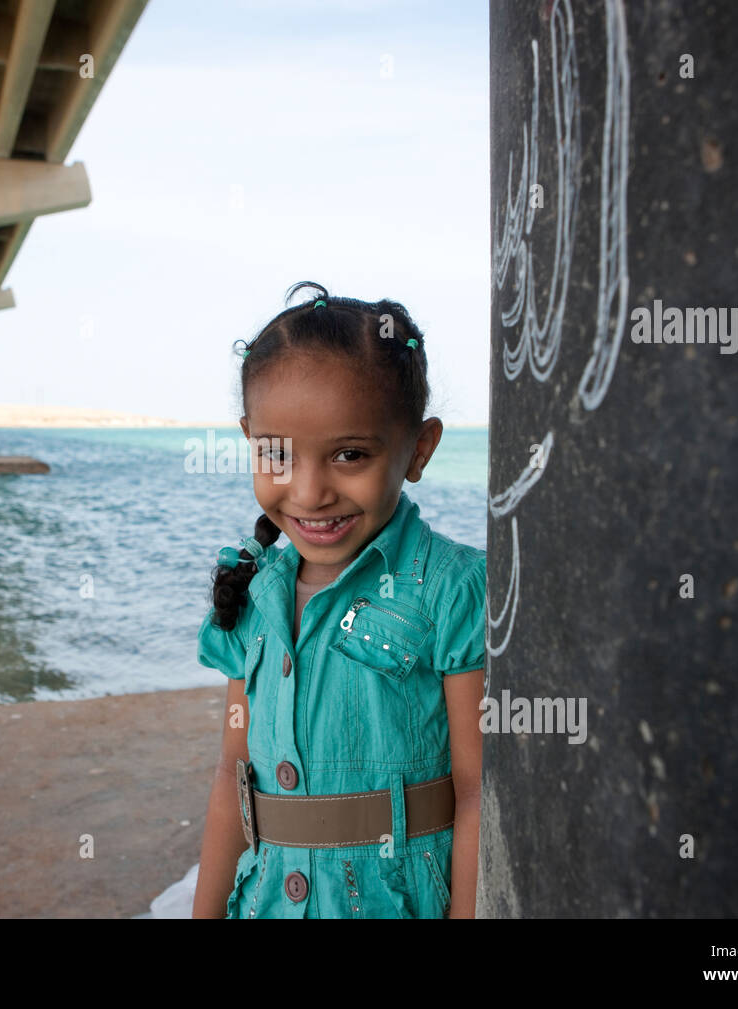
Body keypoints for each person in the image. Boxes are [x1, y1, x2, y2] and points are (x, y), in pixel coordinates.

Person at [191, 280, 487, 919]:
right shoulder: (255, 591)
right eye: (277, 454)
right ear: (250, 439)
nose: (310, 491)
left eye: (349, 454)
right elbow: (230, 780)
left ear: (420, 448)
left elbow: (477, 792)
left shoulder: (453, 589)